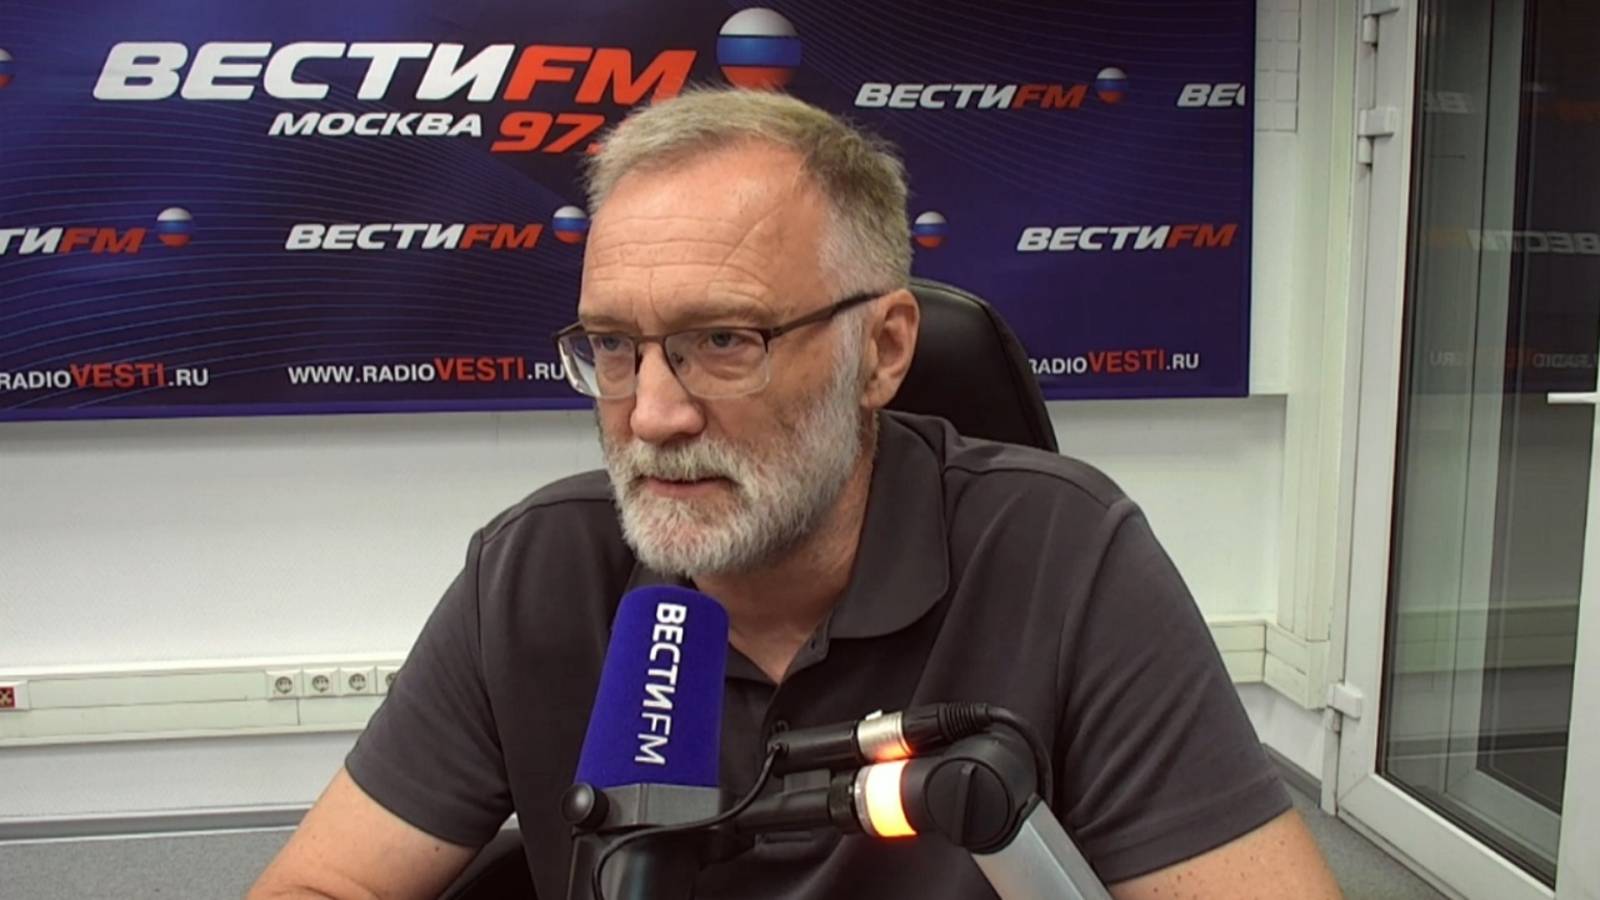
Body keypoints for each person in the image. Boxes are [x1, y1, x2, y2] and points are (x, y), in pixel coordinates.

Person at [249, 88, 1341, 900]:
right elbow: (322, 882)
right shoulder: (536, 569)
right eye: (615, 346)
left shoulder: (1064, 555)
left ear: (883, 351)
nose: (651, 416)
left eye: (725, 340)